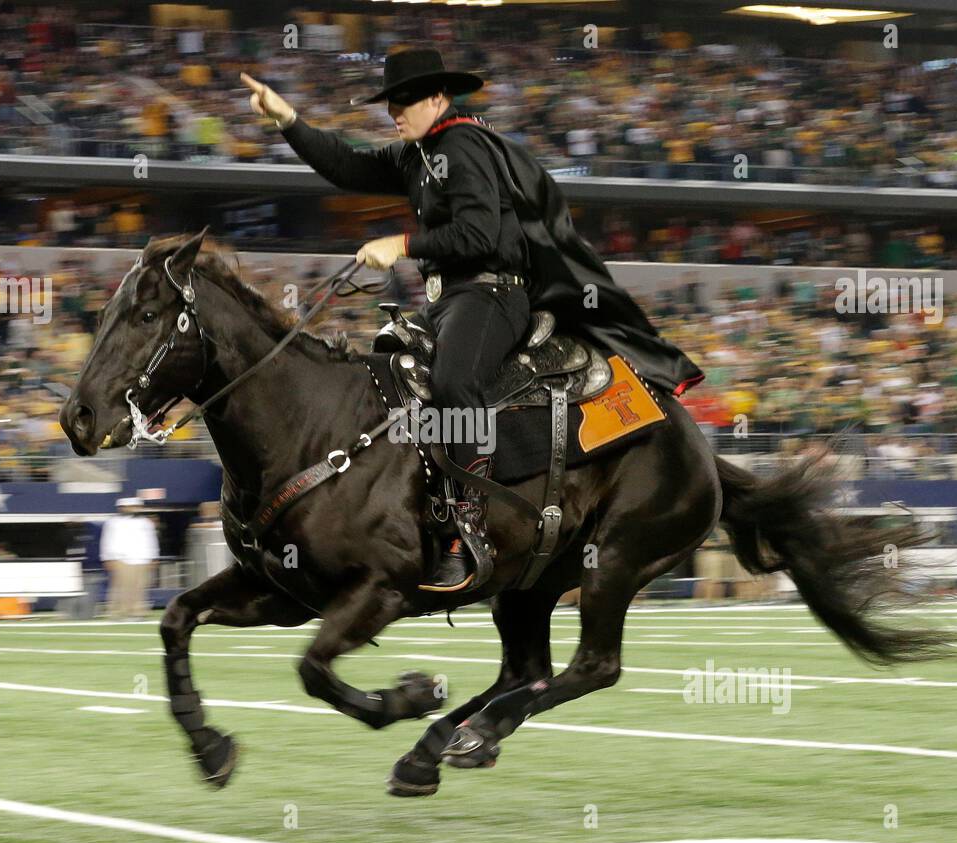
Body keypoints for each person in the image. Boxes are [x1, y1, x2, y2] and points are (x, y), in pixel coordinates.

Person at [241, 49, 703, 593]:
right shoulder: (418, 153)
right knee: (386, 375)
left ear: (438, 98)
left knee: (456, 383)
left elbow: (480, 236)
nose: (395, 112)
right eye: (391, 103)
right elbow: (348, 165)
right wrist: (289, 121)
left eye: (405, 101)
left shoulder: (462, 145)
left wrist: (402, 243)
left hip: (490, 295)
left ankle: (470, 525)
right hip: (445, 302)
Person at [100, 497, 159, 618]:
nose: (134, 509)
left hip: (142, 558)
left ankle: (137, 612)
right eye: (131, 506)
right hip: (121, 559)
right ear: (122, 508)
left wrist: (154, 557)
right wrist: (107, 558)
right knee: (121, 588)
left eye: (136, 506)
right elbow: (106, 541)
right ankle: (117, 612)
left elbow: (152, 540)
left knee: (140, 587)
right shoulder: (113, 522)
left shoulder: (145, 522)